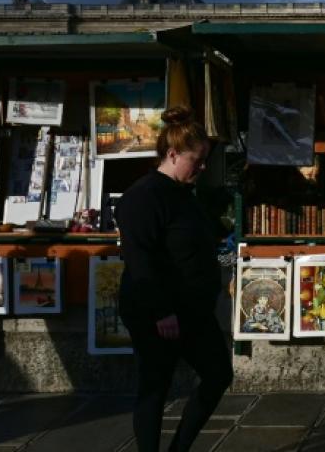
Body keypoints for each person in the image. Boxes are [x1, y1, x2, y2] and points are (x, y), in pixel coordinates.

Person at [116, 106, 232, 452]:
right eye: (196, 160)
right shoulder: (143, 196)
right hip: (158, 311)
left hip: (192, 309)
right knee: (155, 386)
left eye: (204, 160)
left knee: (218, 374)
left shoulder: (185, 194)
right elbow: (140, 261)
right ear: (172, 154)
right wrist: (161, 310)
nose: (202, 167)